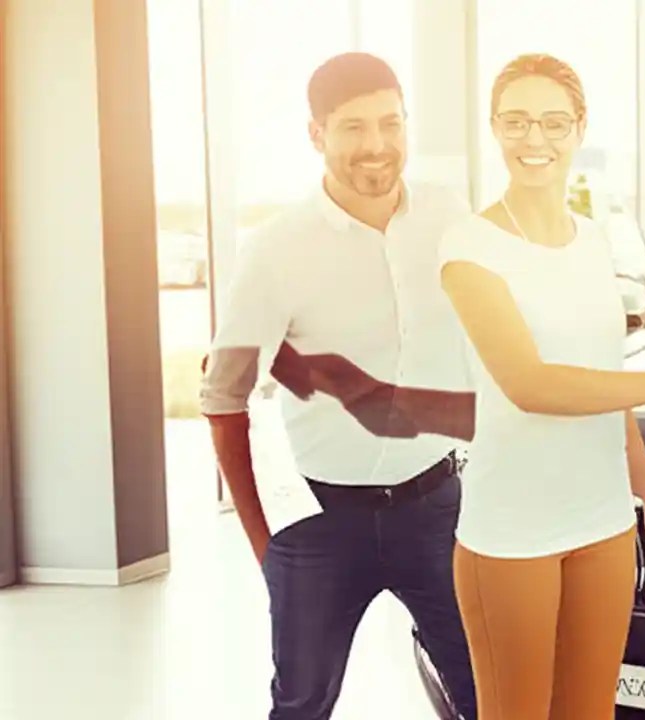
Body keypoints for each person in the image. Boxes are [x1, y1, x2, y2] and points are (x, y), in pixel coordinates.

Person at [436, 53, 645, 719]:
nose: (534, 140)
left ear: (579, 129)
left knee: (591, 713)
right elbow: (531, 384)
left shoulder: (593, 242)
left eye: (552, 121)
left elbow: (603, 378)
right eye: (516, 122)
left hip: (603, 522)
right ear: (493, 128)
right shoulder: (468, 246)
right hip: (513, 529)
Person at [199, 52, 478, 719]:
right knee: (301, 704)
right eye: (353, 127)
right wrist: (266, 544)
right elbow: (222, 397)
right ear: (316, 134)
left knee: (484, 692)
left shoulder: (448, 214)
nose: (376, 145)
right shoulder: (277, 248)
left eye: (390, 122)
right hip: (318, 522)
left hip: (436, 506)